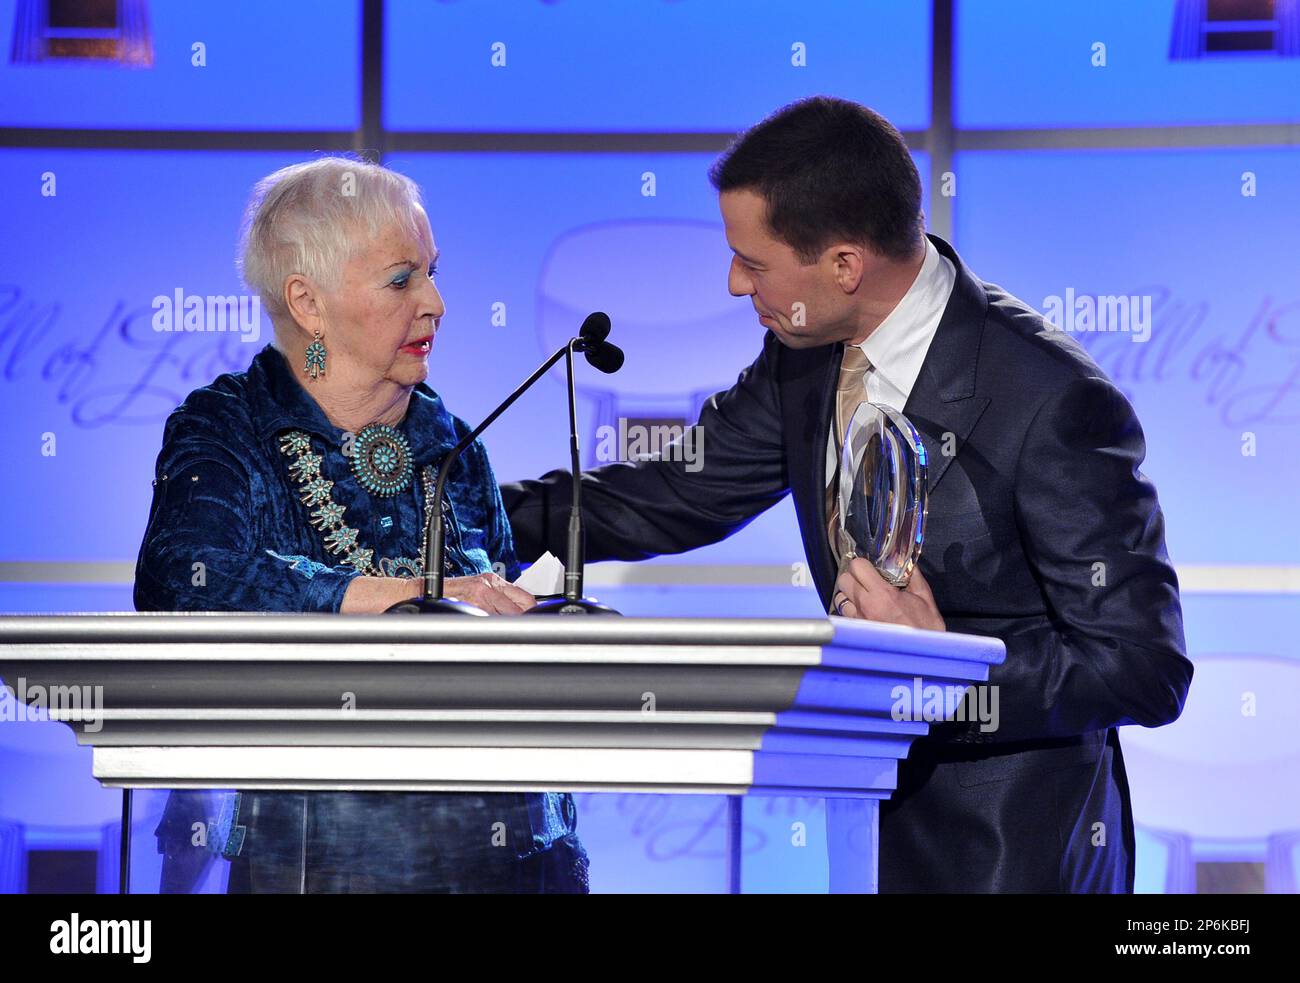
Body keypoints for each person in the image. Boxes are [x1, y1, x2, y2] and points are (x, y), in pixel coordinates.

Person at [503, 96, 1193, 893]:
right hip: (866, 834)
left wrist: (945, 677)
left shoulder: (1049, 399)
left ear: (843, 265)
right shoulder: (803, 351)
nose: (733, 283)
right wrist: (454, 512)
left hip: (1013, 861)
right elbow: (675, 491)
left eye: (753, 263)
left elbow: (1143, 666)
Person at [134, 156, 588, 894]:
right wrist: (398, 595)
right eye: (402, 278)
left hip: (507, 857)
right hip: (307, 858)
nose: (436, 302)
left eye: (434, 272)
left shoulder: (454, 444)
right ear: (308, 305)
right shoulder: (229, 428)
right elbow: (182, 578)